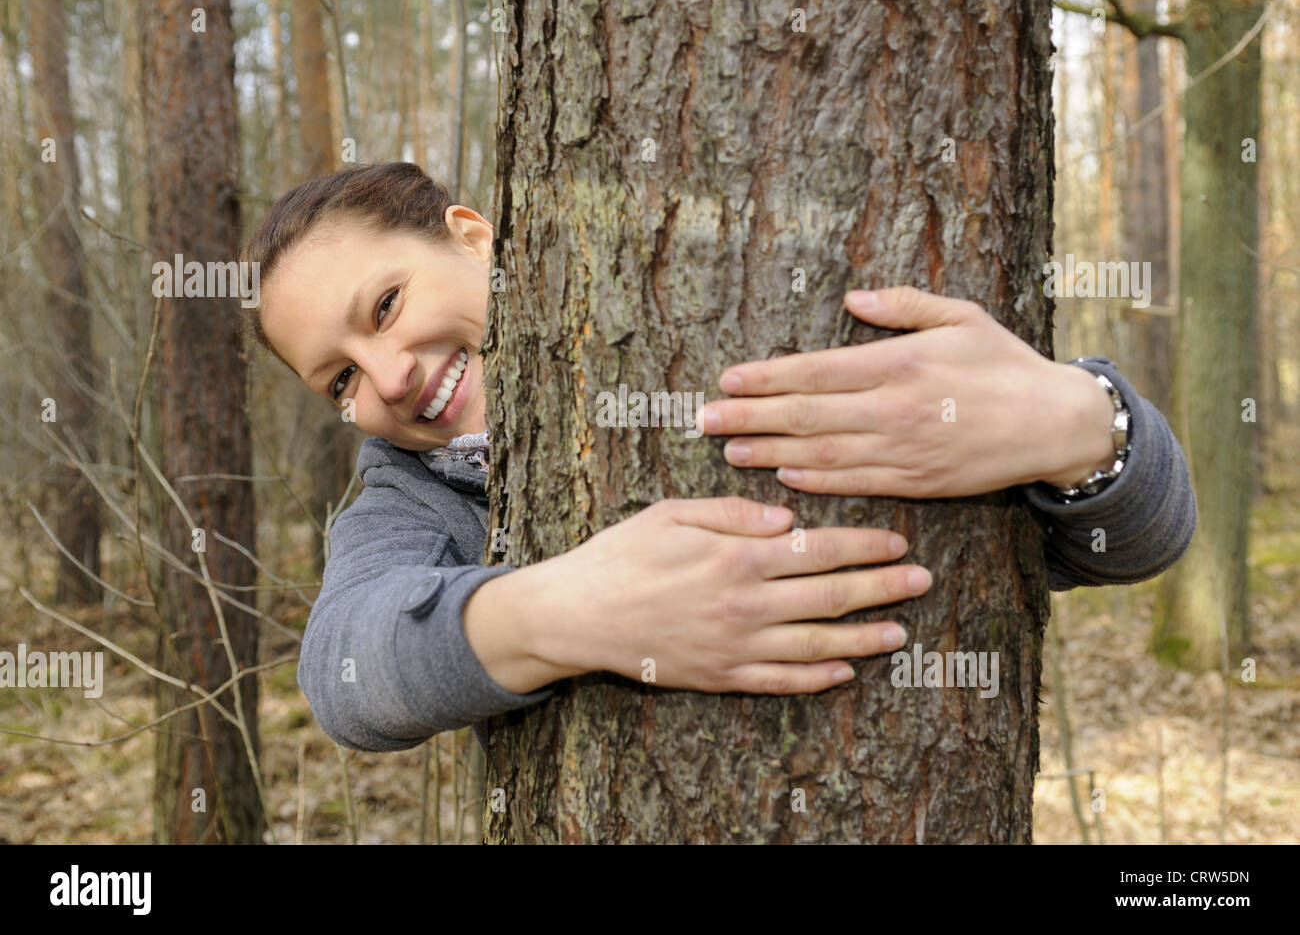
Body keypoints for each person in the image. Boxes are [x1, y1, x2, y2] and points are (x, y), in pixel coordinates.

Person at [240, 162, 1196, 753]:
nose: (389, 378)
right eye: (340, 380)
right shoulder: (413, 483)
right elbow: (344, 679)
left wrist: (1081, 421)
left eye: (386, 306)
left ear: (470, 234)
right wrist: (567, 611)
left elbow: (1143, 541)